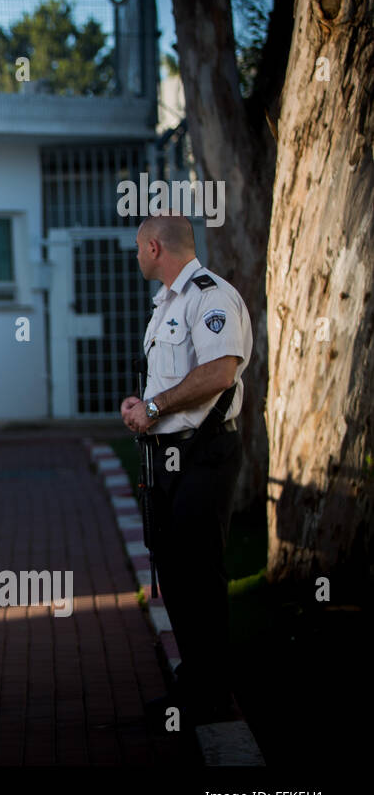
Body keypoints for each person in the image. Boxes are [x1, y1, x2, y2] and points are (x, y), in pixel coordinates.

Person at [120, 212, 251, 726]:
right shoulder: (167, 303)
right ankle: (193, 682)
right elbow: (171, 382)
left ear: (155, 247)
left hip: (205, 454)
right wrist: (143, 406)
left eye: (137, 246)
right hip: (168, 457)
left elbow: (219, 372)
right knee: (174, 572)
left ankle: (213, 693)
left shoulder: (209, 296)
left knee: (200, 574)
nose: (134, 255)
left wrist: (153, 409)